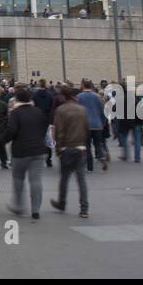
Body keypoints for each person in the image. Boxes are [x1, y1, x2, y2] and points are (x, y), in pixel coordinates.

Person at [5, 85, 49, 220]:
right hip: (38, 150)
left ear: (17, 99)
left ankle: (19, 206)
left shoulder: (15, 113)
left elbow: (11, 131)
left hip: (21, 150)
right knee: (36, 180)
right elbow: (44, 127)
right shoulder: (38, 111)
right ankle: (35, 209)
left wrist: (3, 140)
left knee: (18, 178)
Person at [49, 85, 91, 218]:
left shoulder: (60, 110)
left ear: (62, 96)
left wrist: (58, 148)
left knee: (64, 177)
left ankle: (62, 203)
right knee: (81, 179)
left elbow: (59, 131)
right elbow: (86, 128)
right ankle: (84, 208)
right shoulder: (82, 109)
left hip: (67, 147)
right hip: (80, 146)